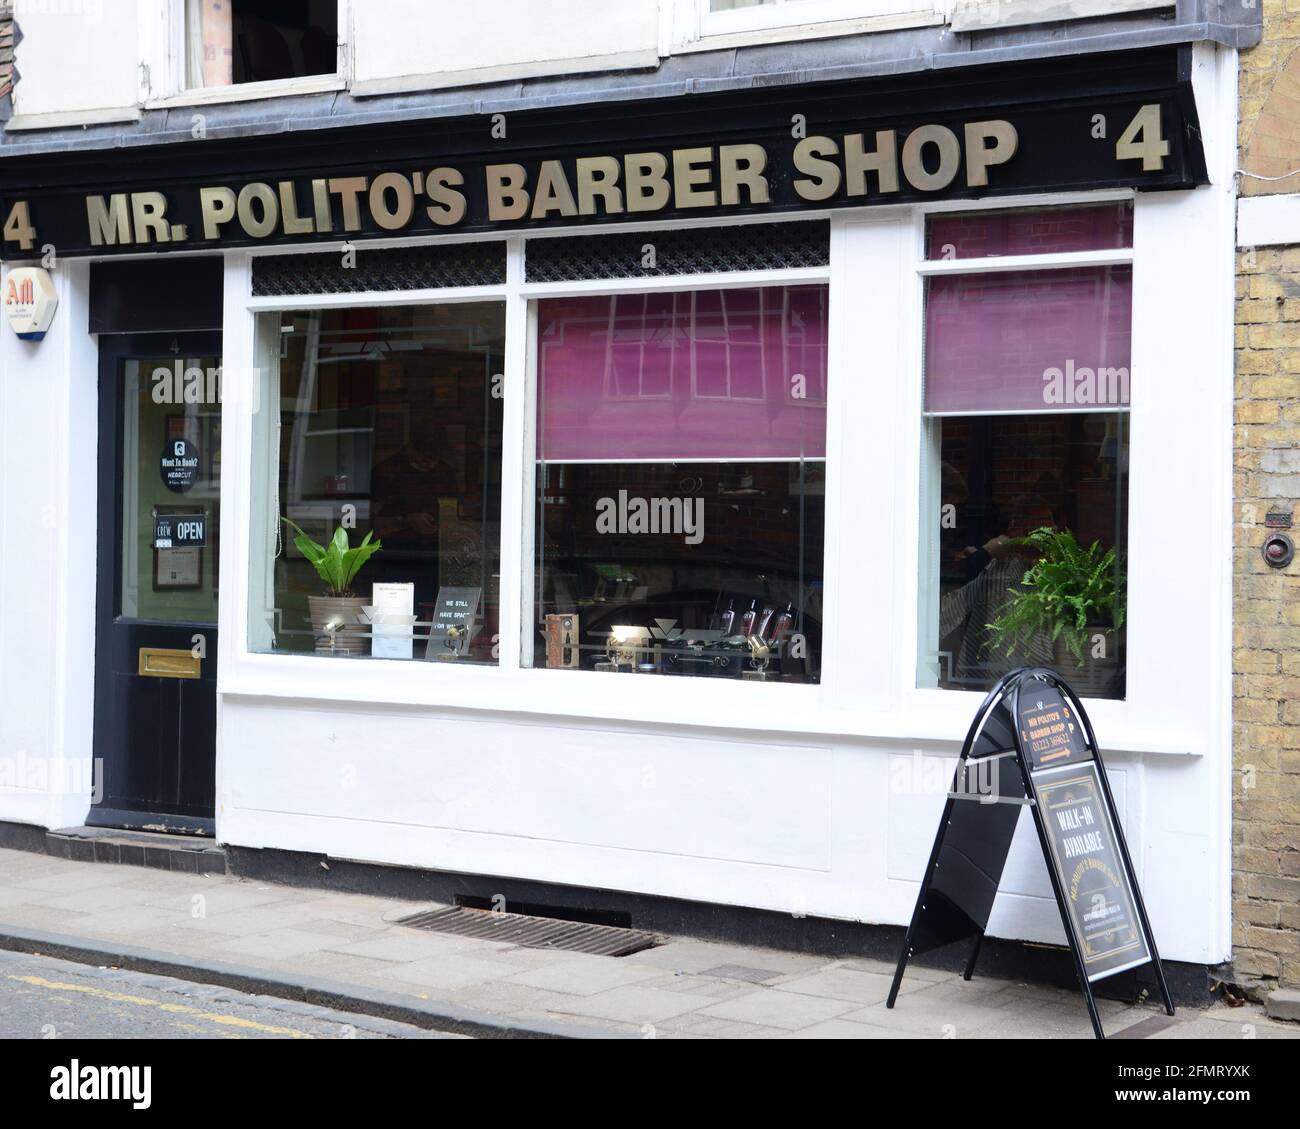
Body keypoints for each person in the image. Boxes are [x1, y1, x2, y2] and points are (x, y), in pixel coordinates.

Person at [938, 495, 1055, 687]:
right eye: (1043, 526)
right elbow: (951, 610)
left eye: (1050, 525)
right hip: (1002, 669)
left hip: (1029, 669)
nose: (1051, 531)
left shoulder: (1050, 571)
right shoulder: (999, 572)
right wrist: (985, 555)